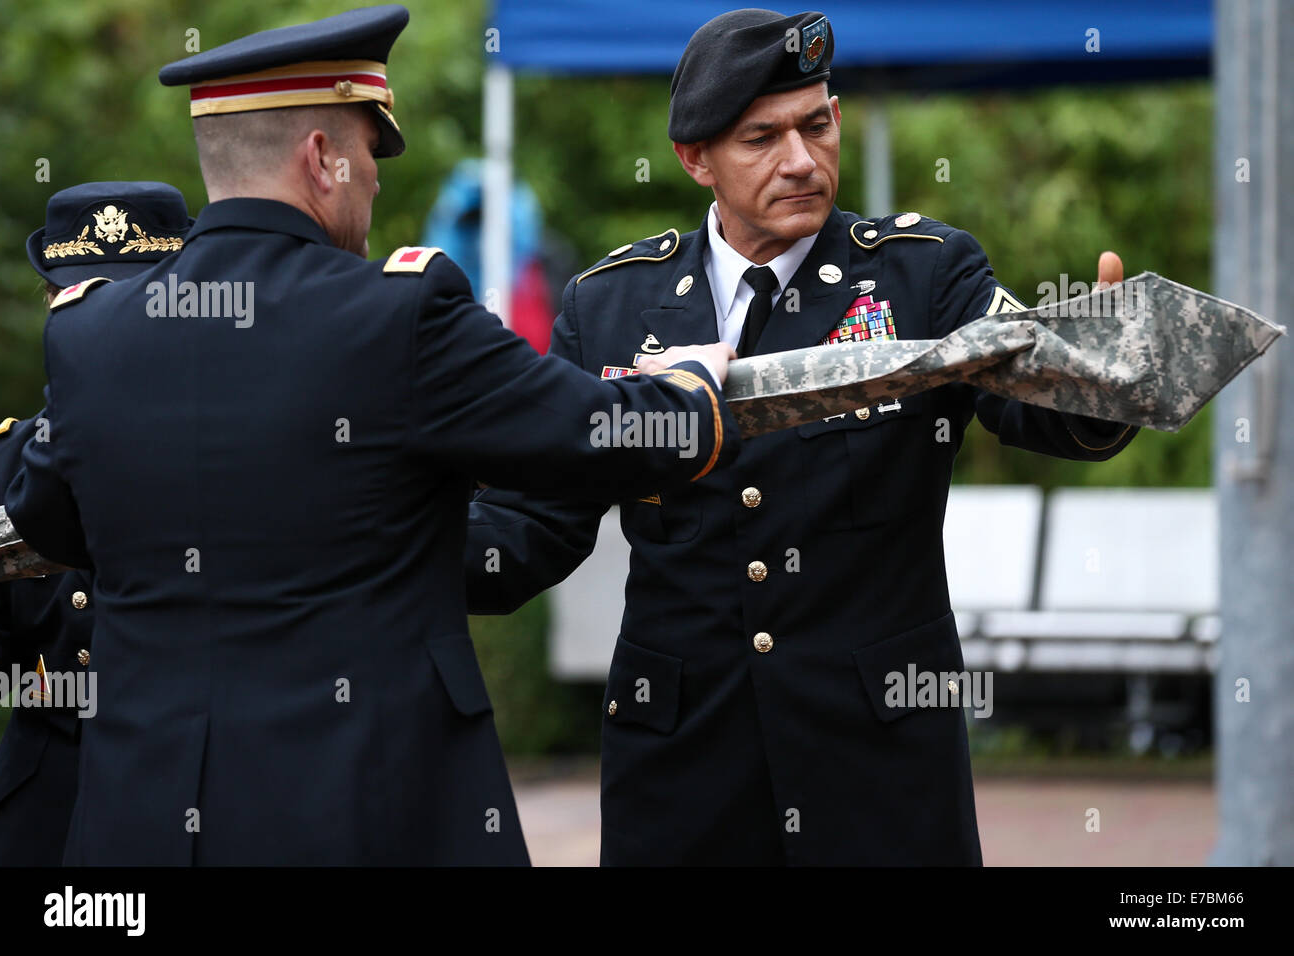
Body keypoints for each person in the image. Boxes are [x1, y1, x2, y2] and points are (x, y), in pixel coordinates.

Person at [4, 5, 739, 866]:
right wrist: (690, 384)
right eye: (369, 155)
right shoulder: (398, 314)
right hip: (366, 812)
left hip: (151, 820)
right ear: (322, 158)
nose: (378, 184)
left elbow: (51, 523)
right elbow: (606, 435)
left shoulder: (91, 336)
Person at [465, 9, 1139, 865]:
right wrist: (386, 542)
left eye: (816, 125)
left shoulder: (922, 275)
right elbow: (536, 518)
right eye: (761, 138)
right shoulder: (611, 307)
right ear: (693, 158)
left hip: (877, 767)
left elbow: (1041, 406)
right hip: (684, 768)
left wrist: (1104, 374)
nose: (800, 160)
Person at [0, 181, 193, 866]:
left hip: (195, 798)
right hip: (47, 810)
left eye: (124, 301)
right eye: (80, 301)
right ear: (52, 307)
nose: (98, 326)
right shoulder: (6, 461)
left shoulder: (234, 452)